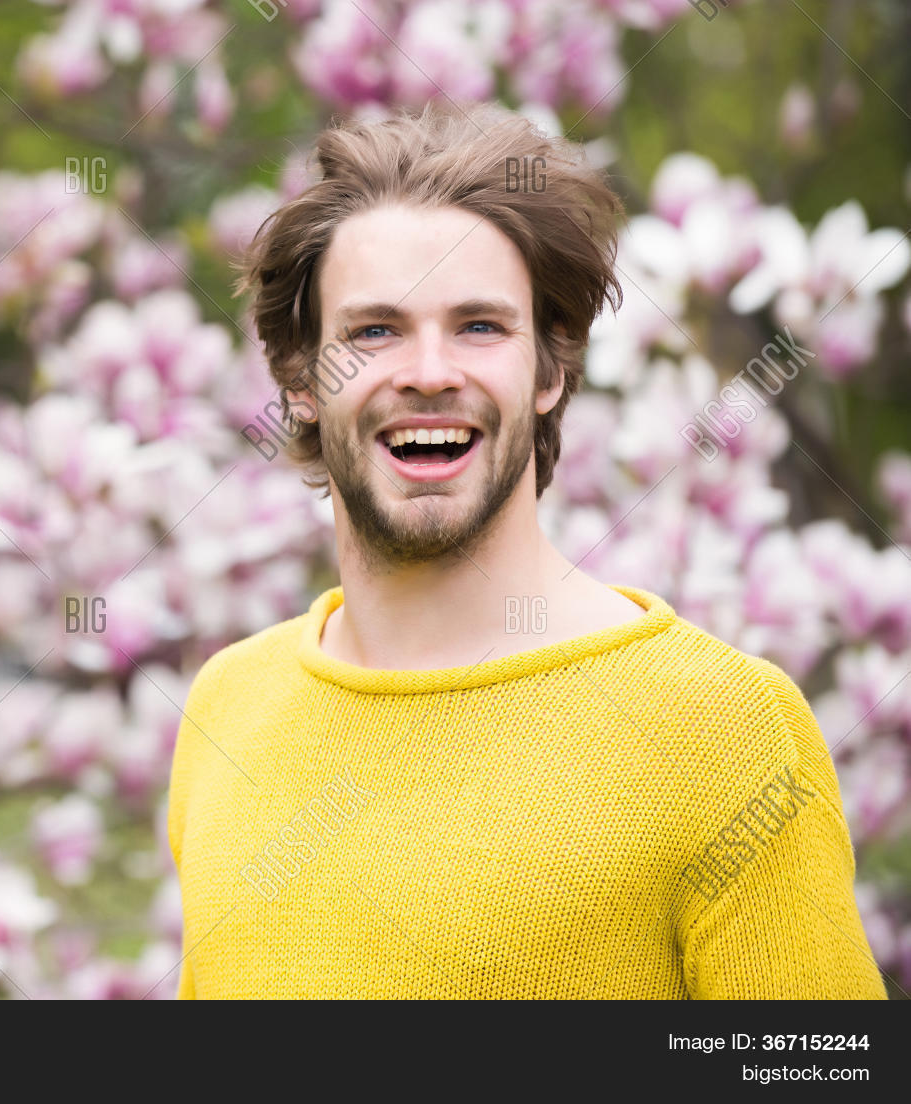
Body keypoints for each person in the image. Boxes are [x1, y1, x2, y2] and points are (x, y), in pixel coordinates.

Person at [164, 101, 888, 999]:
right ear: (300, 379)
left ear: (549, 371)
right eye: (374, 331)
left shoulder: (724, 733)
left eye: (479, 326)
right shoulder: (227, 708)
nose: (429, 372)